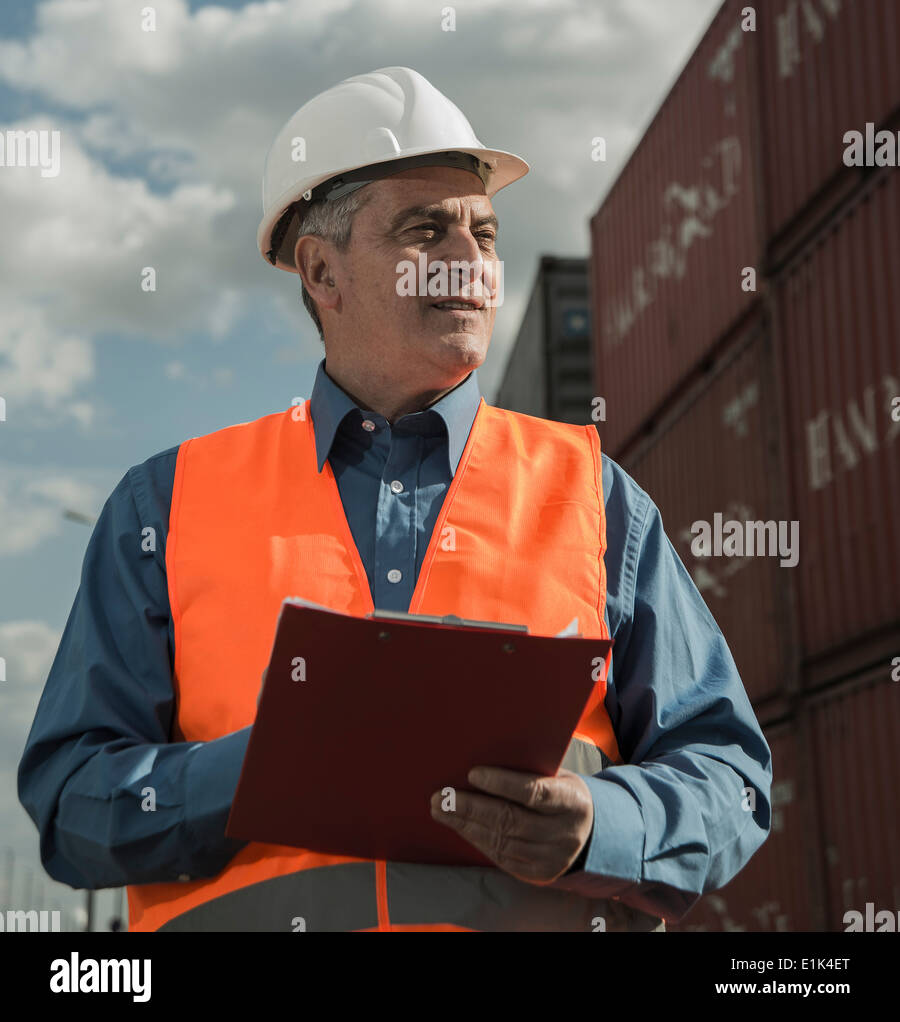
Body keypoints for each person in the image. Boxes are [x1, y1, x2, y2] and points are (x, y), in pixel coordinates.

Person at [18, 66, 771, 932]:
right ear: (322, 271)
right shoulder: (165, 506)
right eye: (426, 230)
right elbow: (73, 804)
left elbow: (731, 779)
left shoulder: (597, 498)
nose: (470, 263)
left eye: (484, 236)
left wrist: (601, 826)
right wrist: (258, 772)